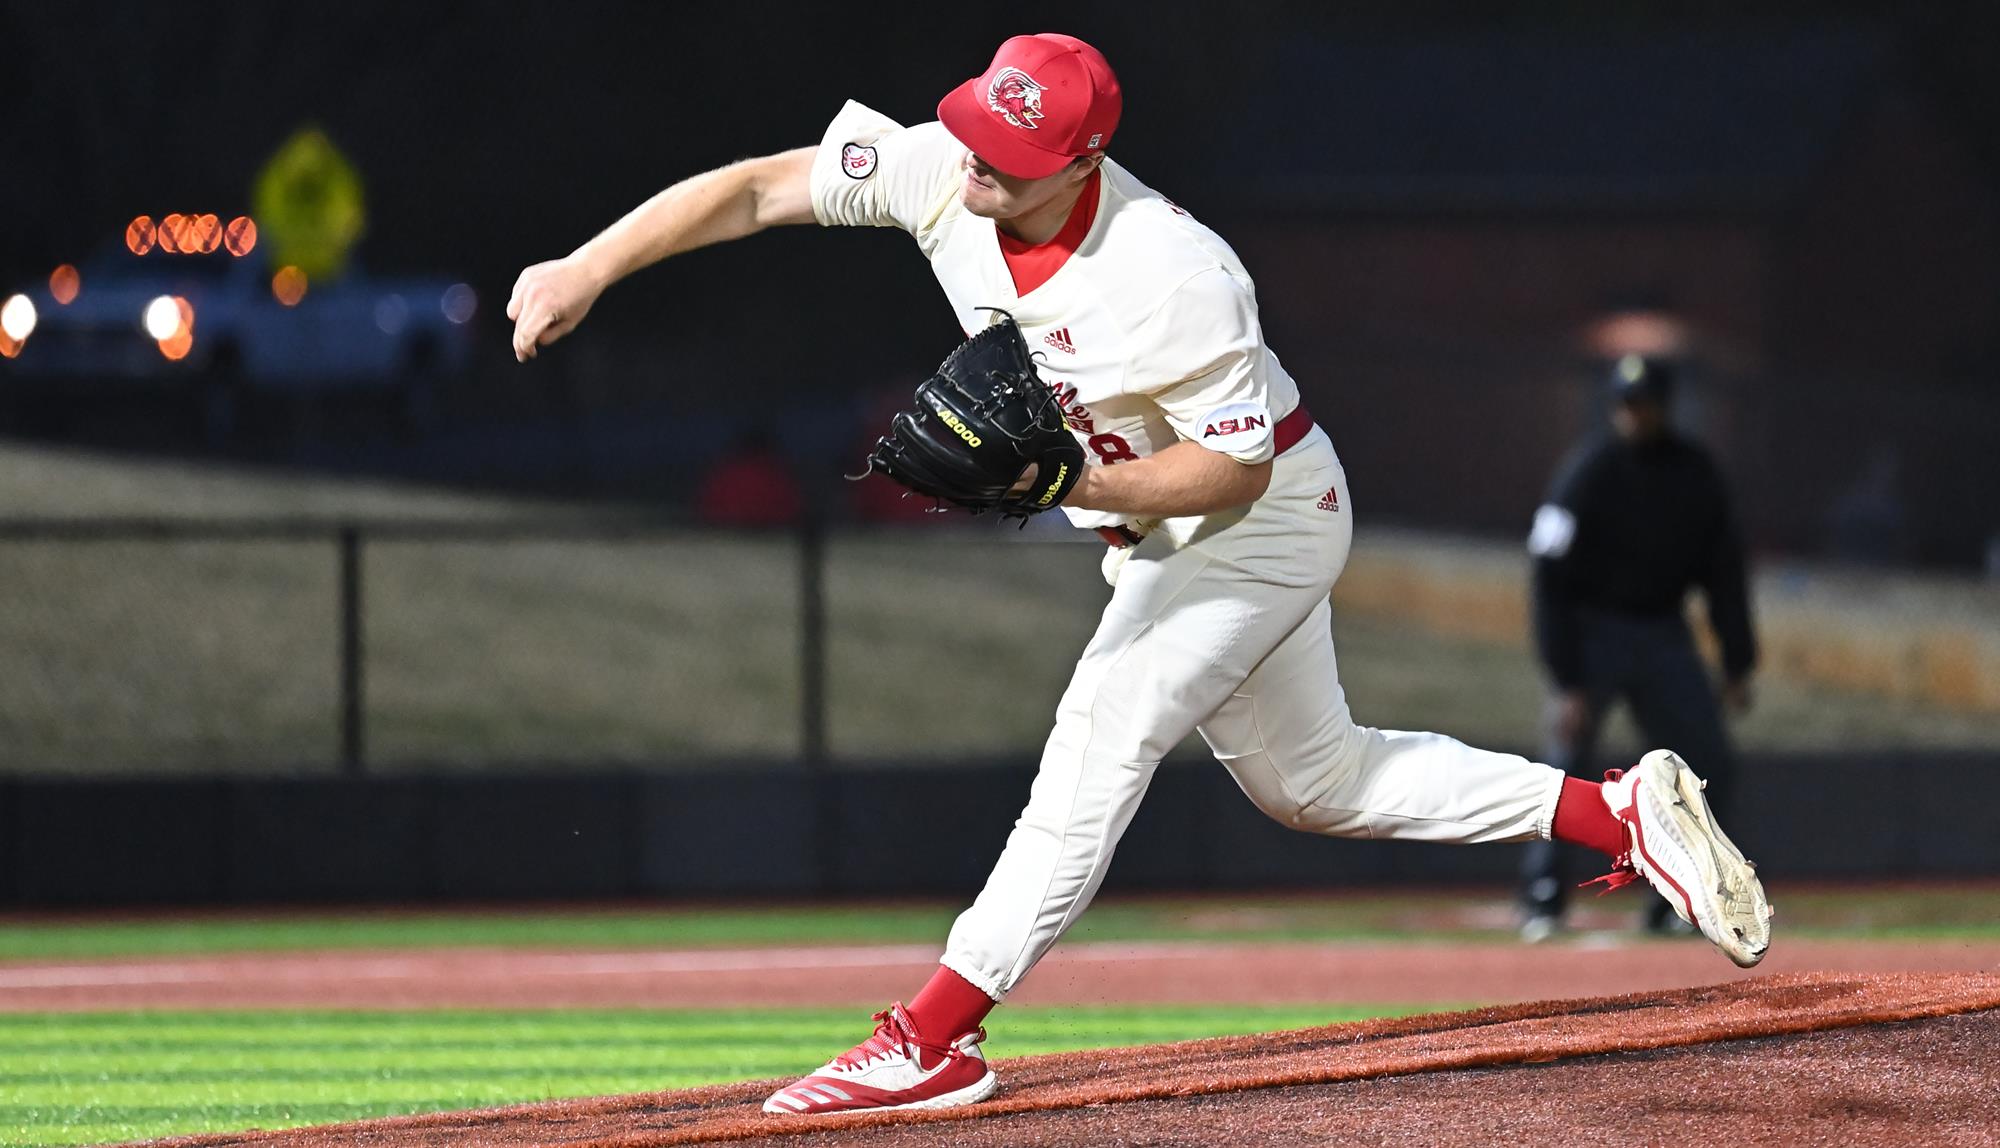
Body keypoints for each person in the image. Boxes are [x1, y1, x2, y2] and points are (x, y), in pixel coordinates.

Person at [508, 34, 1772, 1116]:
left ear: (1081, 161)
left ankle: (932, 1035)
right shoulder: (953, 170)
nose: (968, 162)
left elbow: (1228, 474)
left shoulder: (1179, 272)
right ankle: (1615, 815)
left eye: (1006, 154)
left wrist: (1063, 483)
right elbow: (752, 190)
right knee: (1313, 782)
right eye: (967, 131)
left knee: (1101, 726)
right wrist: (586, 265)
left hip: (1265, 515)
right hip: (1159, 531)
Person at [1520, 355, 1759, 941]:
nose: (1634, 414)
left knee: (1705, 763)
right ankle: (1543, 897)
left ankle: (1684, 900)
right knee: (1565, 765)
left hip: (1662, 632)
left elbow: (1724, 573)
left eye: (1644, 403)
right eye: (1625, 404)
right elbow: (1548, 573)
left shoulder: (1695, 475)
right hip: (1595, 633)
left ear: (1664, 406)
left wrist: (1737, 661)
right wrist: (1566, 677)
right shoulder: (1589, 473)